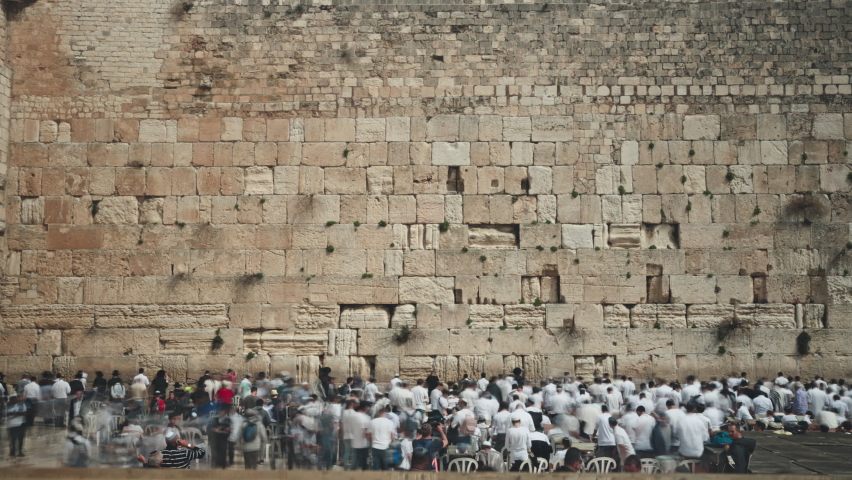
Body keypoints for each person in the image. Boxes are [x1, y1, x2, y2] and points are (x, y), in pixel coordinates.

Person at [7, 393, 28, 457]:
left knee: (20, 438)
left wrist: (14, 414)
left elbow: (24, 413)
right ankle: (12, 451)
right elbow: (7, 414)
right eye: (12, 399)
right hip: (11, 424)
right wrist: (17, 414)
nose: (14, 399)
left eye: (15, 398)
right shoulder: (7, 406)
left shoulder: (22, 404)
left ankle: (19, 451)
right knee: (12, 439)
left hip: (20, 424)